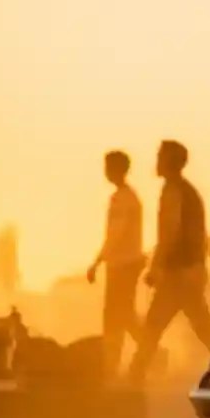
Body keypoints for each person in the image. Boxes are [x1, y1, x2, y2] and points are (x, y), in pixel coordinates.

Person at [126, 140, 210, 384]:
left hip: (179, 273)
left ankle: (134, 376)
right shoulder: (185, 190)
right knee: (201, 327)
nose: (156, 161)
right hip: (189, 271)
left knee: (154, 325)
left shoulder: (174, 190)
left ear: (169, 161)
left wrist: (156, 266)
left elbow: (170, 232)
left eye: (160, 156)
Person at [86, 150, 145, 376]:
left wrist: (97, 262)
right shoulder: (128, 197)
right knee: (124, 315)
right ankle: (150, 352)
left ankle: (111, 365)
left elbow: (115, 235)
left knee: (114, 316)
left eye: (107, 167)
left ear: (115, 170)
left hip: (122, 264)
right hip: (126, 263)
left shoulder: (123, 199)